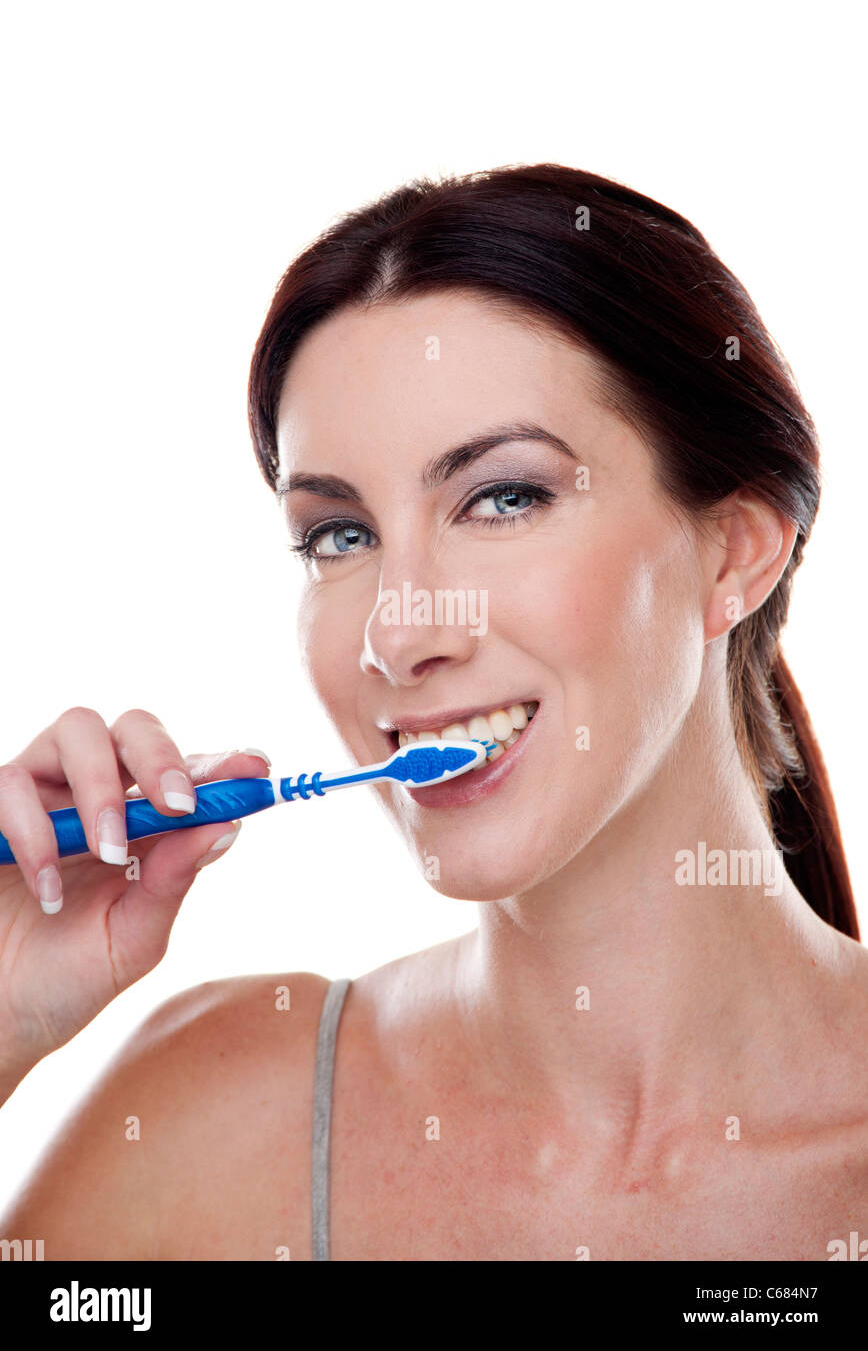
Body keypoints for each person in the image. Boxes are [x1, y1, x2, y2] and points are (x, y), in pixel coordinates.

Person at [2, 164, 865, 1260]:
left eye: (503, 497)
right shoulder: (210, 1122)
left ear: (734, 549)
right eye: (340, 535)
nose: (397, 634)